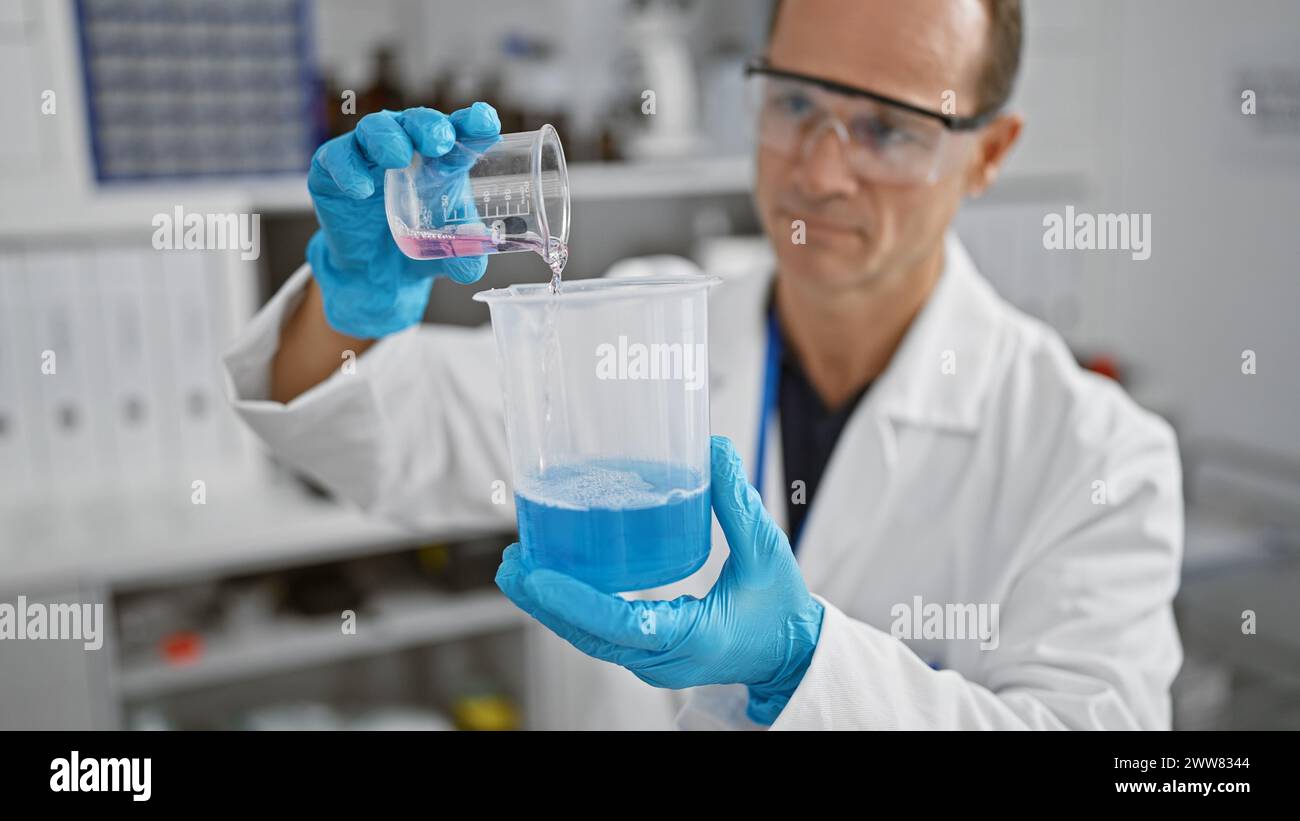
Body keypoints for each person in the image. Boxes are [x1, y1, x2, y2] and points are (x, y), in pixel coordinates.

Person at [224, 0, 1183, 729]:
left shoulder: (1097, 455)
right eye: (795, 103)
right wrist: (349, 308)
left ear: (989, 154)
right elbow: (385, 433)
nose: (819, 170)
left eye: (890, 128)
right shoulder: (648, 315)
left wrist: (807, 667)